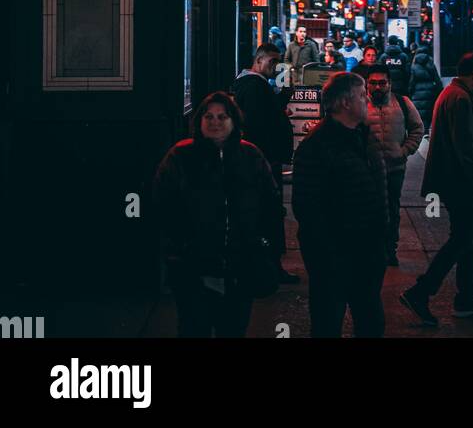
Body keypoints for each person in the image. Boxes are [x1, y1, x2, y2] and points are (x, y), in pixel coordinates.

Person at [154, 91, 279, 337]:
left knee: (233, 328)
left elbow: (270, 203)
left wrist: (260, 244)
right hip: (192, 266)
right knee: (193, 327)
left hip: (240, 264)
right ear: (199, 120)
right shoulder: (180, 156)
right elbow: (162, 204)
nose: (215, 122)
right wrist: (178, 248)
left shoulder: (250, 156)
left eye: (222, 117)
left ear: (234, 120)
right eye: (209, 116)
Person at [401, 51, 473, 327]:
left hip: (456, 181)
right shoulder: (459, 99)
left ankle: (466, 298)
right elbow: (466, 147)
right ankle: (421, 291)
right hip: (461, 183)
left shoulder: (455, 95)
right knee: (463, 239)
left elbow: (471, 135)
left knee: (470, 239)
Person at [292, 71, 389, 338]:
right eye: (361, 95)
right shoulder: (317, 146)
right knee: (327, 323)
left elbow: (377, 193)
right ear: (345, 103)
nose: (366, 99)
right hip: (333, 258)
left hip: (367, 253)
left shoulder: (363, 137)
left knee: (371, 323)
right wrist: (329, 253)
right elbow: (308, 208)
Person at [232, 44, 298, 284]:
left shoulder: (252, 84)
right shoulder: (255, 86)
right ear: (259, 60)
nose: (275, 67)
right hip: (265, 160)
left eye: (278, 62)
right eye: (272, 62)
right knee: (268, 214)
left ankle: (268, 266)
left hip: (264, 159)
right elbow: (258, 125)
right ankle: (269, 268)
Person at [366, 65, 424, 265]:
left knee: (392, 210)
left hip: (394, 169)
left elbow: (417, 129)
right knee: (370, 211)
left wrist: (404, 151)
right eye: (373, 83)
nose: (377, 87)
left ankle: (390, 250)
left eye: (382, 83)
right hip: (368, 172)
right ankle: (372, 250)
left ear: (389, 83)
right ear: (367, 83)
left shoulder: (403, 103)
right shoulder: (359, 104)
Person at [408, 43, 444, 131]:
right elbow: (437, 79)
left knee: (419, 117)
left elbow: (411, 82)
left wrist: (410, 93)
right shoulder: (430, 62)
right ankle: (426, 134)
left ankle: (421, 136)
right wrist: (440, 91)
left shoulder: (414, 64)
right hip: (430, 94)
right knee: (428, 117)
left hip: (417, 95)